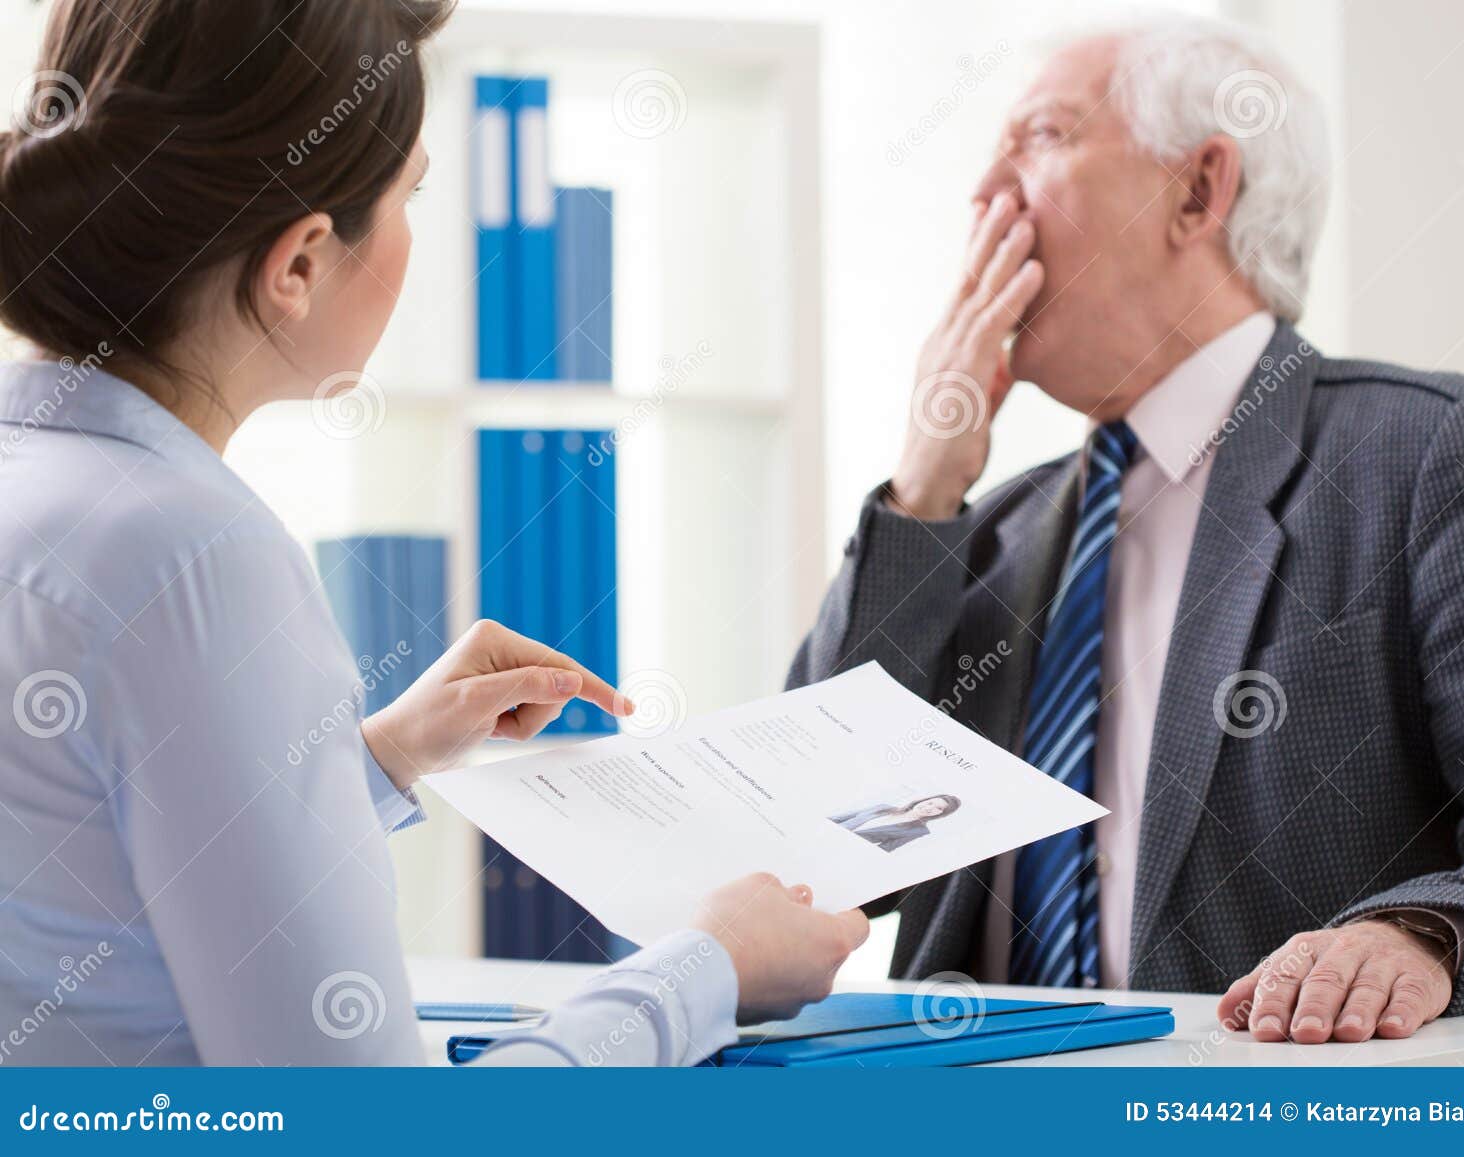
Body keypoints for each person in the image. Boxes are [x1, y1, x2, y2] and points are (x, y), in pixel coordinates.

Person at [0, 0, 867, 1067]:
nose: (418, 237)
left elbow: (95, 896)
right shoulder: (194, 554)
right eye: (409, 194)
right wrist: (712, 964)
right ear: (302, 261)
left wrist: (378, 758)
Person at [790, 15, 1464, 1045]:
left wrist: (1422, 935)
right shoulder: (976, 527)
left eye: (1039, 135)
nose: (984, 190)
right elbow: (815, 845)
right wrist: (920, 487)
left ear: (1197, 190)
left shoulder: (1430, 455)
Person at [830, 795, 962, 853]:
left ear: (940, 814)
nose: (929, 808)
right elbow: (838, 818)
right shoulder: (883, 807)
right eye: (930, 802)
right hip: (827, 834)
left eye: (939, 809)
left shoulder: (918, 831)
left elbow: (884, 849)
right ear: (924, 800)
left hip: (844, 851)